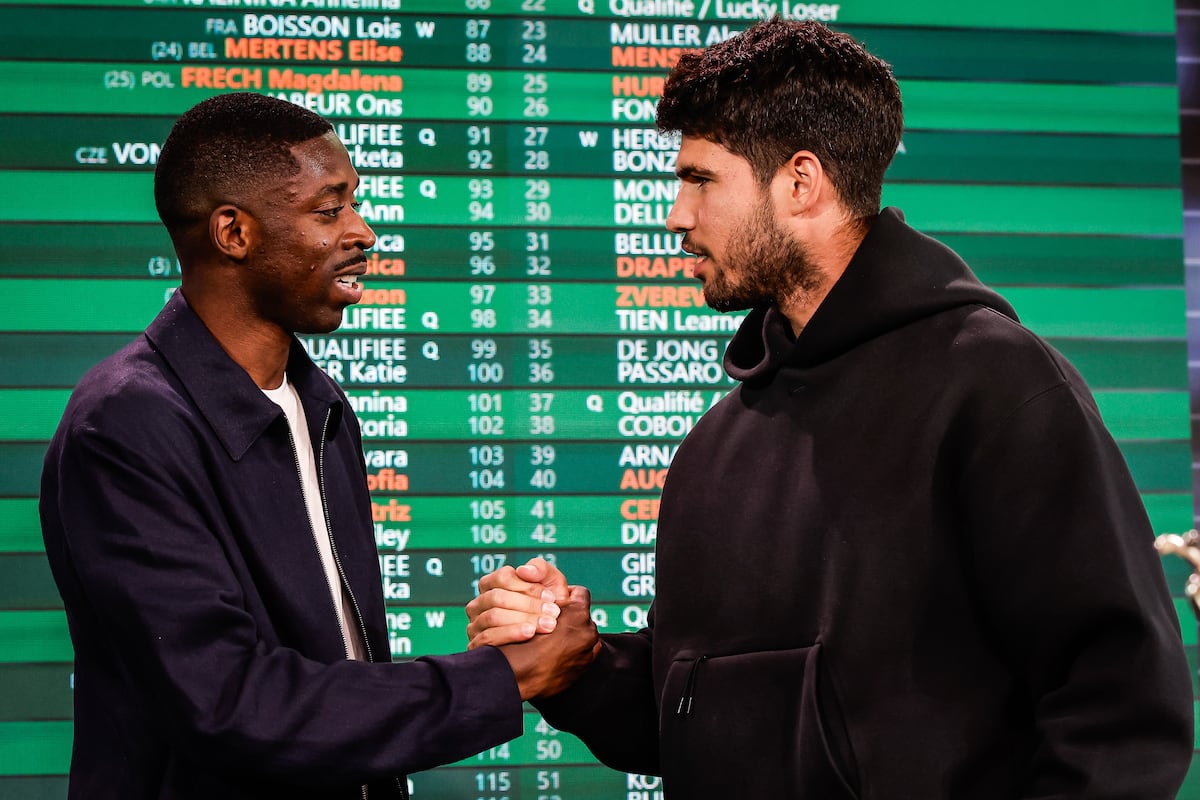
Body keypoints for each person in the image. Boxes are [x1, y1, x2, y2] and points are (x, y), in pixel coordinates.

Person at [466, 18, 1194, 799]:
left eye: (701, 179)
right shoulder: (717, 444)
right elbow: (701, 720)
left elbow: (1120, 710)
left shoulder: (997, 386)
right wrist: (576, 665)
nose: (676, 215)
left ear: (800, 182)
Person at [39, 92, 597, 800]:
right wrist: (501, 677)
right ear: (233, 233)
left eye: (353, 204)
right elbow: (229, 704)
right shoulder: (124, 426)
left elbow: (339, 670)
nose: (363, 231)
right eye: (330, 210)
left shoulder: (319, 403)